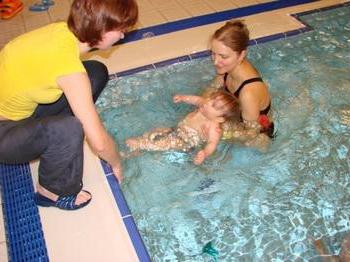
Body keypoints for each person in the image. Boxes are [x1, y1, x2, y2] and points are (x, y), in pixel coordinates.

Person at [0, 0, 138, 210]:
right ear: (102, 30)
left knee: (95, 72)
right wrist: (118, 161)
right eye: (121, 30)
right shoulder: (70, 71)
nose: (122, 36)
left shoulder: (60, 30)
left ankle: (67, 131)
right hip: (4, 133)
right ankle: (51, 192)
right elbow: (99, 144)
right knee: (70, 127)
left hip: (16, 108)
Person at [208, 19, 274, 150]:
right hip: (237, 117)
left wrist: (220, 132)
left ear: (241, 55)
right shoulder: (227, 67)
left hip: (258, 136)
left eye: (223, 56)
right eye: (213, 53)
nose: (216, 61)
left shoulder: (248, 93)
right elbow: (211, 89)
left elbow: (251, 133)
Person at [126, 91, 236, 165]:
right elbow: (196, 100)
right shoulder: (204, 105)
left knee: (162, 144)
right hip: (176, 130)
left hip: (185, 142)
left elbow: (212, 143)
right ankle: (138, 150)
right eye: (210, 99)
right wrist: (183, 98)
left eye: (213, 105)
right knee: (156, 132)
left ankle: (140, 145)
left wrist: (204, 153)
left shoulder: (213, 127)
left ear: (220, 119)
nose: (207, 103)